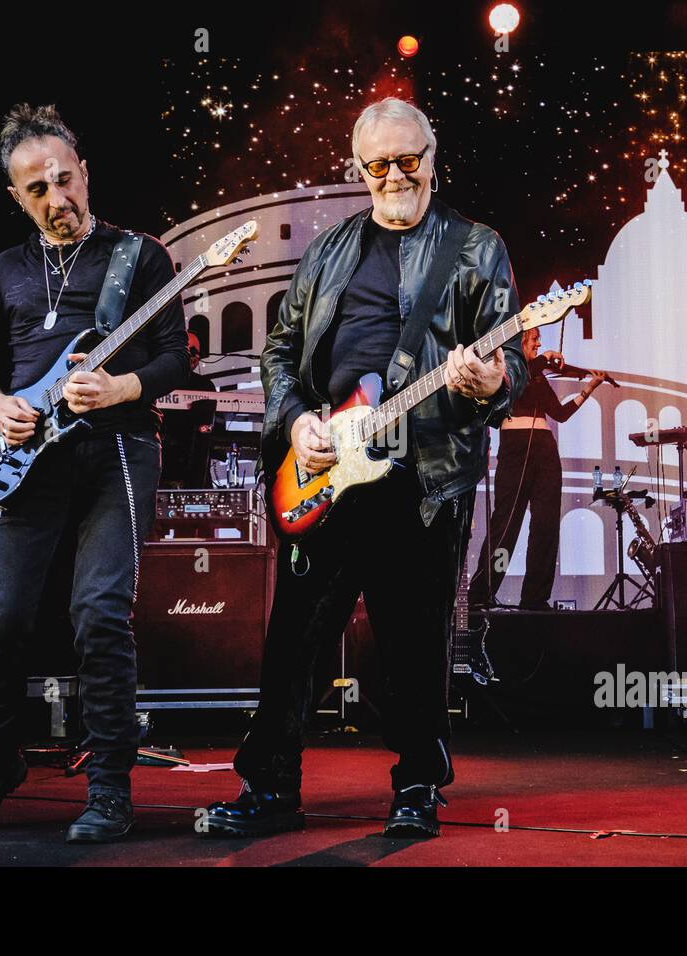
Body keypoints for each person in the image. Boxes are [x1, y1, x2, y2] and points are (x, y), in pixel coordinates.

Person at [200, 97, 527, 839]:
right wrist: (296, 421)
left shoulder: (476, 247)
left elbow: (513, 360)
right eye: (376, 164)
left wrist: (489, 379)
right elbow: (281, 348)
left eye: (407, 160)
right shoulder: (331, 248)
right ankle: (271, 786)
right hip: (328, 466)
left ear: (432, 159)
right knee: (294, 639)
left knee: (414, 641)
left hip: (424, 477)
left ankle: (417, 785)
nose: (393, 175)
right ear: (359, 168)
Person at [0, 103, 188, 843]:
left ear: (85, 173)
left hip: (115, 448)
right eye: (38, 189)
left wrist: (119, 388)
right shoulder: (4, 271)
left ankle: (110, 788)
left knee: (100, 615)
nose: (57, 198)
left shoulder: (138, 258)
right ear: (16, 198)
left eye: (65, 178)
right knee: (2, 621)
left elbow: (178, 357)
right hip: (24, 461)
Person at [469, 326, 606, 610]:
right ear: (520, 341)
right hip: (515, 448)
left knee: (545, 525)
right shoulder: (507, 368)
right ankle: (481, 592)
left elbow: (560, 414)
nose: (539, 342)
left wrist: (588, 390)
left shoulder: (538, 377)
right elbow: (519, 376)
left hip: (544, 449)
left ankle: (535, 597)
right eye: (534, 338)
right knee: (507, 523)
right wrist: (543, 359)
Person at [159, 331, 218, 487]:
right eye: (189, 349)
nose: (194, 356)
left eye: (196, 352)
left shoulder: (204, 385)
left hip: (192, 468)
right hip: (159, 465)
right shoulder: (159, 380)